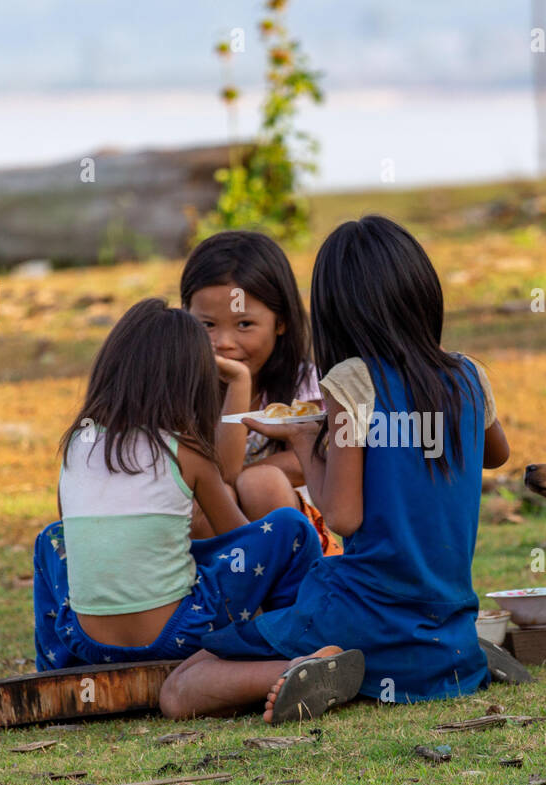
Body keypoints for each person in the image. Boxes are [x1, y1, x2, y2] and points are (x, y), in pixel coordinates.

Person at [160, 216, 511, 722]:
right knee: (425, 648)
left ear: (335, 312)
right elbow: (494, 454)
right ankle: (455, 660)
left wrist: (305, 441)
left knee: (181, 688)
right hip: (444, 617)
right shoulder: (468, 375)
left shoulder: (352, 380)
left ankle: (316, 667)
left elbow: (343, 516)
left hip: (365, 608)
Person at [32, 299, 360, 714]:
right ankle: (293, 642)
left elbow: (81, 540)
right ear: (193, 382)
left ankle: (53, 671)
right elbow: (240, 536)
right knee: (288, 530)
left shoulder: (75, 447)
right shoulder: (186, 450)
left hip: (88, 641)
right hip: (179, 632)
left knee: (51, 540)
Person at [181, 231, 342, 555]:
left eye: (244, 325)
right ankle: (229, 601)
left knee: (259, 483)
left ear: (280, 322)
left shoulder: (304, 385)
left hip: (295, 529)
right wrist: (218, 484)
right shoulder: (182, 390)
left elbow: (314, 458)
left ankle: (297, 593)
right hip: (217, 540)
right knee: (203, 499)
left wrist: (232, 478)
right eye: (207, 325)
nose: (223, 342)